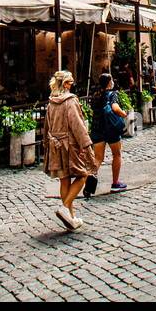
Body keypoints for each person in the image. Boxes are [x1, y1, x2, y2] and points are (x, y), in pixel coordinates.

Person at [43, 70, 96, 232]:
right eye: (69, 82)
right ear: (64, 84)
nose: (72, 84)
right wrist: (86, 145)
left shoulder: (51, 102)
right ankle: (65, 208)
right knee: (82, 175)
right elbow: (78, 126)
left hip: (55, 145)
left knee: (64, 179)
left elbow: (47, 126)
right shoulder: (70, 101)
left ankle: (71, 218)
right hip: (70, 145)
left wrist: (47, 144)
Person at [84, 73, 127, 198]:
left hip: (97, 129)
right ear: (109, 83)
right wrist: (124, 114)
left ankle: (90, 183)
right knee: (117, 154)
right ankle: (115, 183)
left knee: (98, 158)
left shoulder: (96, 95)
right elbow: (115, 108)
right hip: (111, 129)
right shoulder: (112, 94)